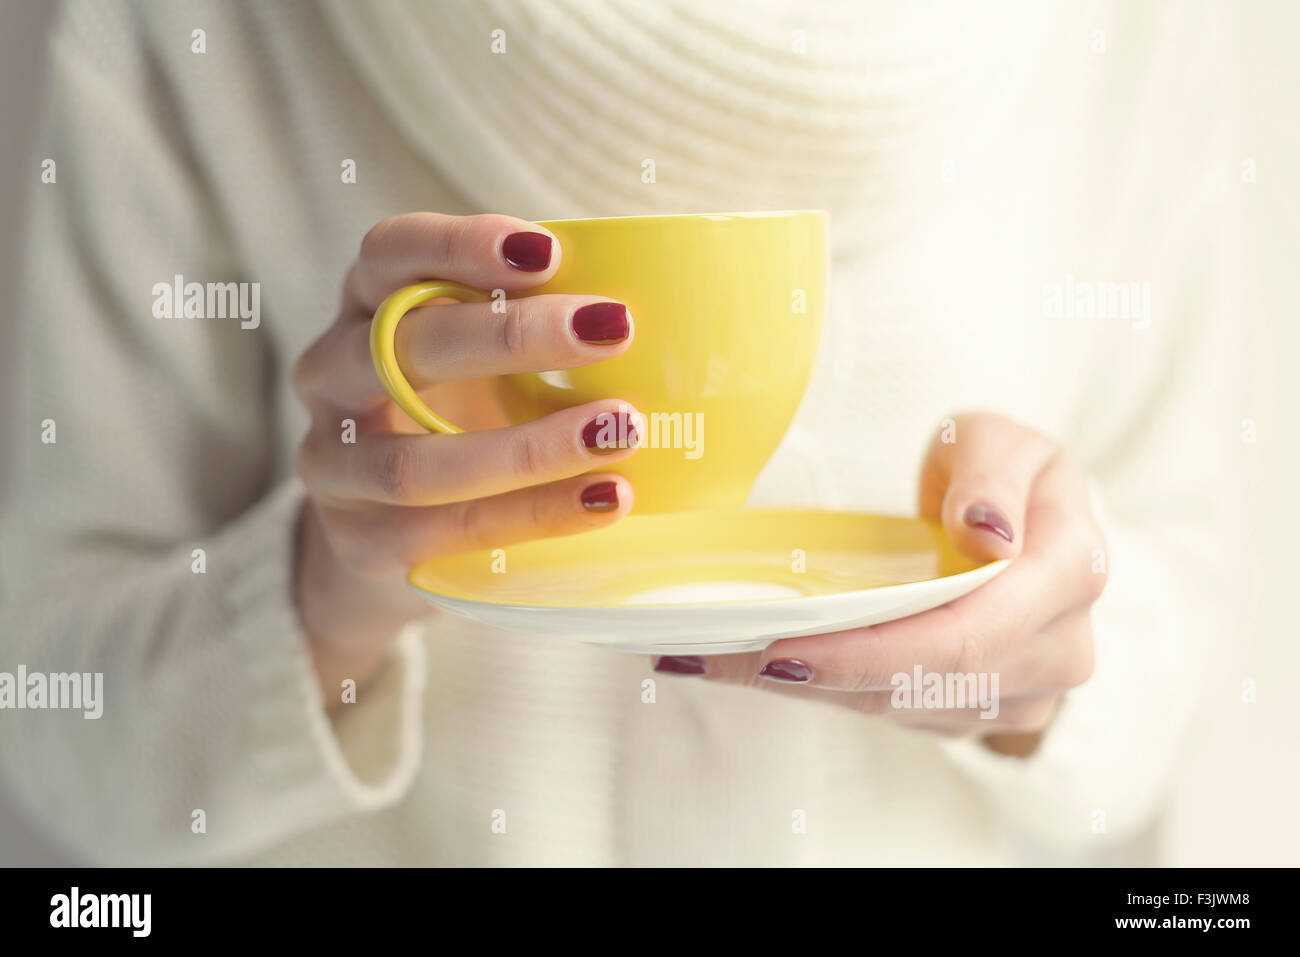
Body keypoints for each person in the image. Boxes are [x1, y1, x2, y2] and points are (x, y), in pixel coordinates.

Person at [0, 0, 1241, 865]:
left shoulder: (1138, 31)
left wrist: (1044, 666)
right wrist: (322, 594)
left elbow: (1197, 621)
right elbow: (46, 721)